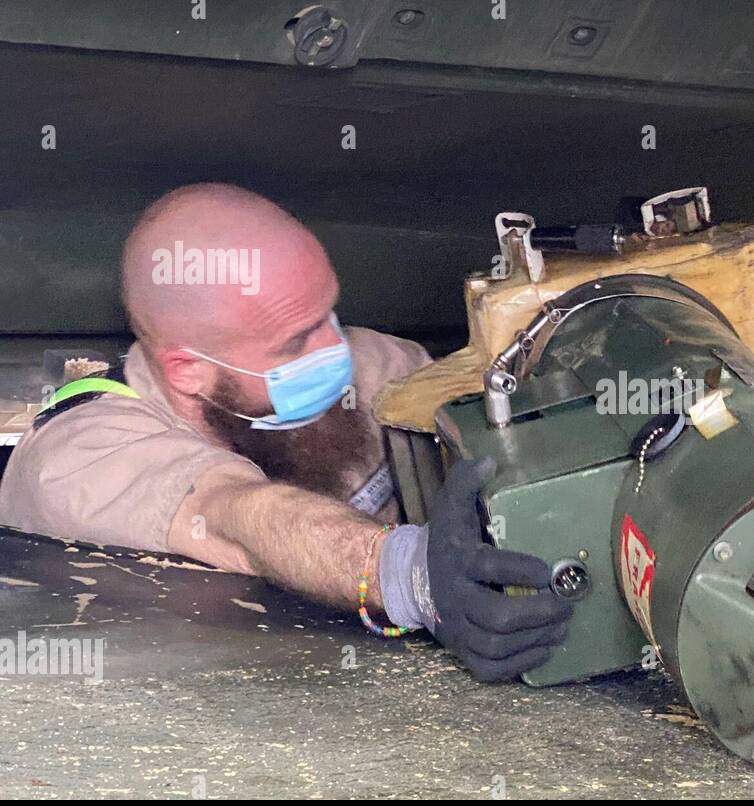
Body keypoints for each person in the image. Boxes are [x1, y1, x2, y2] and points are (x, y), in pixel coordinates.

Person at [0, 183, 572, 680]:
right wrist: (407, 573)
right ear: (187, 369)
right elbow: (234, 514)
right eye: (296, 341)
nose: (337, 351)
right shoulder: (75, 459)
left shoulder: (383, 368)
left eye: (329, 313)